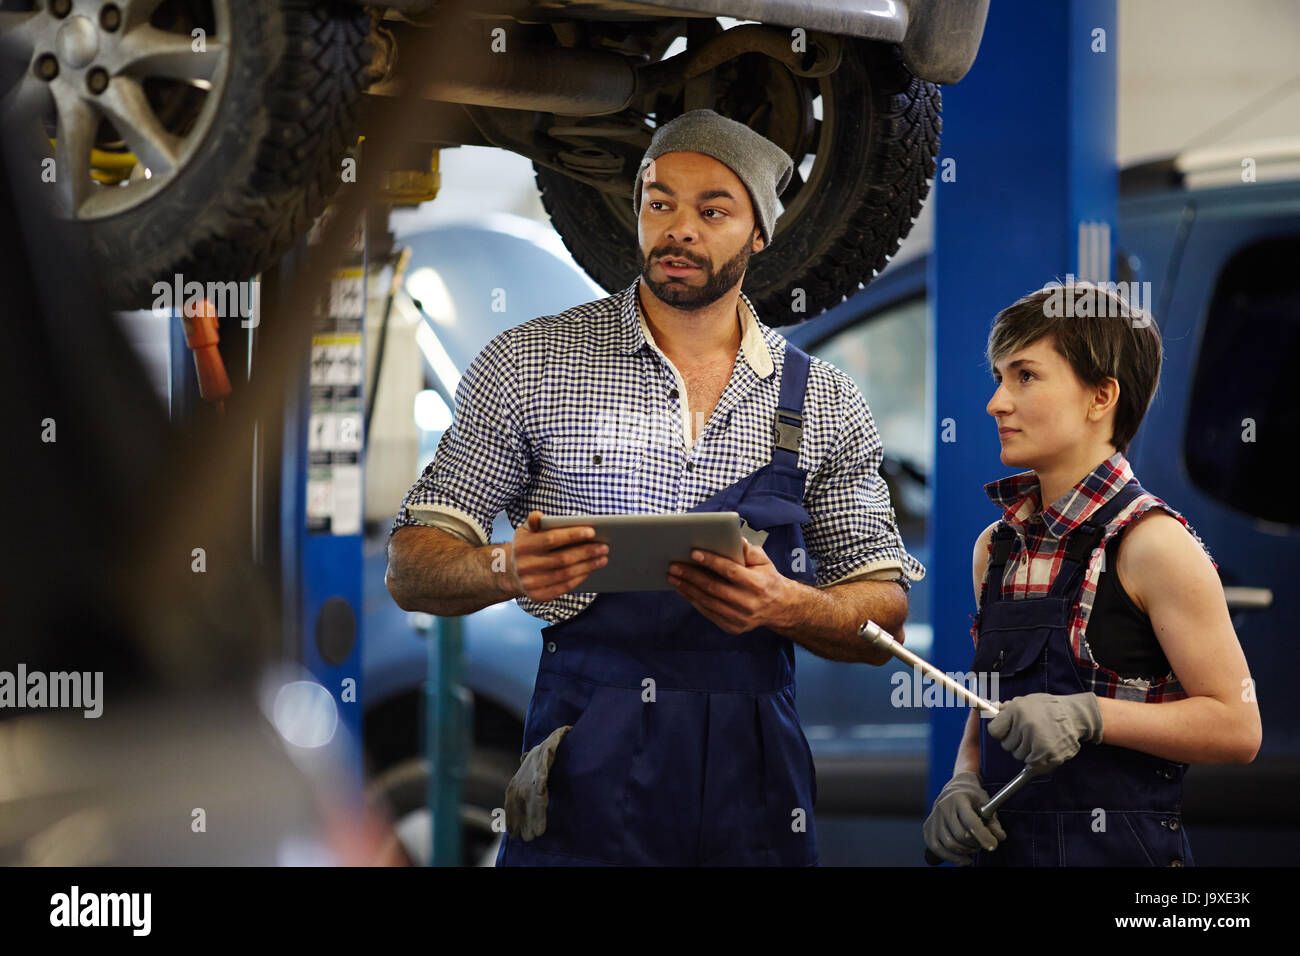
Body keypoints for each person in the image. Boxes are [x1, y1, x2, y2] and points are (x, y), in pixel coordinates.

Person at [385, 109, 925, 865]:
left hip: (755, 772)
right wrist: (504, 567)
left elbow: (884, 620)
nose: (679, 229)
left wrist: (787, 604)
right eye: (660, 201)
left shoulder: (825, 401)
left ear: (760, 234)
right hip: (587, 763)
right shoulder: (533, 364)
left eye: (713, 210)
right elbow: (411, 564)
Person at [923, 282, 1262, 867]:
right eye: (998, 378)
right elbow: (989, 706)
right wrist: (963, 779)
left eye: (1025, 376)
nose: (996, 403)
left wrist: (1090, 715)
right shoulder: (996, 549)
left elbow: (1236, 727)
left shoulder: (1151, 545)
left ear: (1100, 396)